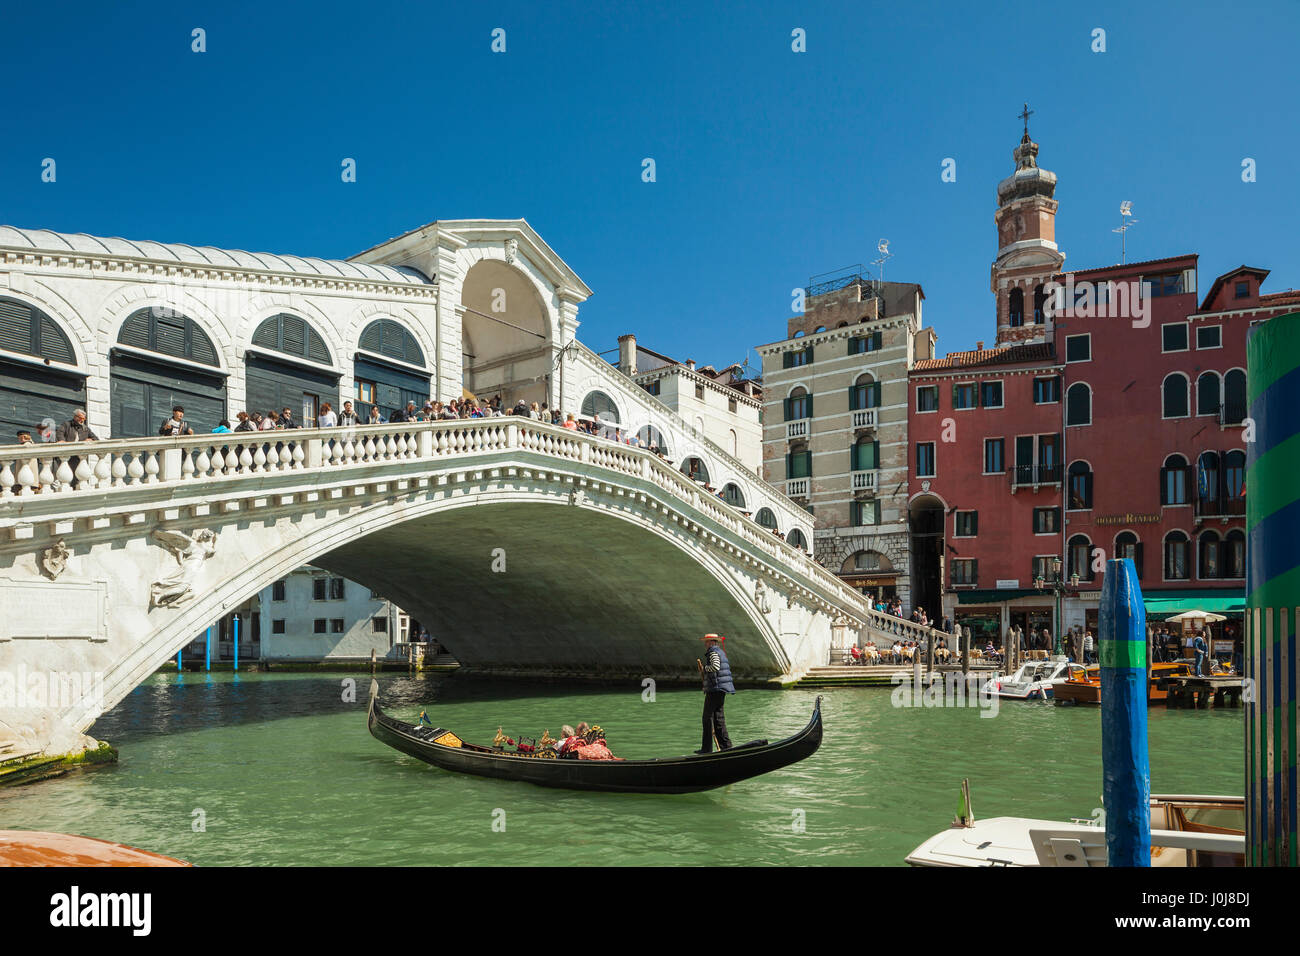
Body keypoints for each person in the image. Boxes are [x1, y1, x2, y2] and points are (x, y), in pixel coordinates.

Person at [696, 633, 734, 754]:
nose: (705, 644)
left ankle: (706, 749)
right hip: (720, 689)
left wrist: (704, 669)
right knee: (718, 719)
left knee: (707, 718)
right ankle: (726, 746)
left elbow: (715, 667)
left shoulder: (713, 652)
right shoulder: (721, 652)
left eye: (706, 642)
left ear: (712, 642)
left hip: (715, 689)